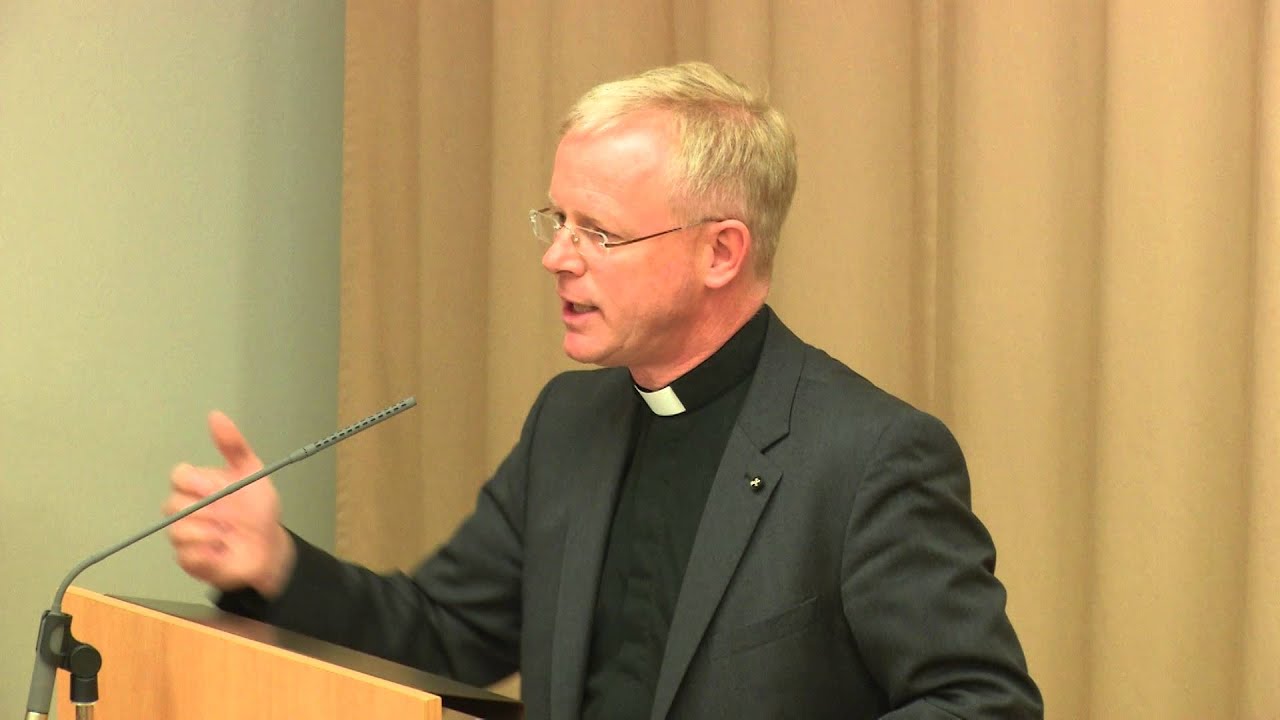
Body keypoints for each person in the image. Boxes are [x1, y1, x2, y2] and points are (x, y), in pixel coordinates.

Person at [165, 61, 1043, 719]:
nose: (557, 257)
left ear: (721, 252)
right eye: (558, 221)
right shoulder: (569, 422)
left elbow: (981, 702)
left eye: (600, 232)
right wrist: (275, 564)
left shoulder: (866, 454)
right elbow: (442, 634)